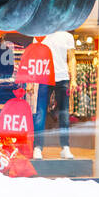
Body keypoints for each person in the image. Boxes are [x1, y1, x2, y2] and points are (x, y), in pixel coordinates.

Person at [34, 29, 75, 159]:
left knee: (64, 114)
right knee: (41, 112)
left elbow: (72, 58)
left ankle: (65, 147)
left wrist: (73, 79)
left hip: (62, 77)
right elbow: (35, 58)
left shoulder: (67, 36)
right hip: (44, 76)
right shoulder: (40, 34)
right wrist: (32, 80)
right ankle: (38, 147)